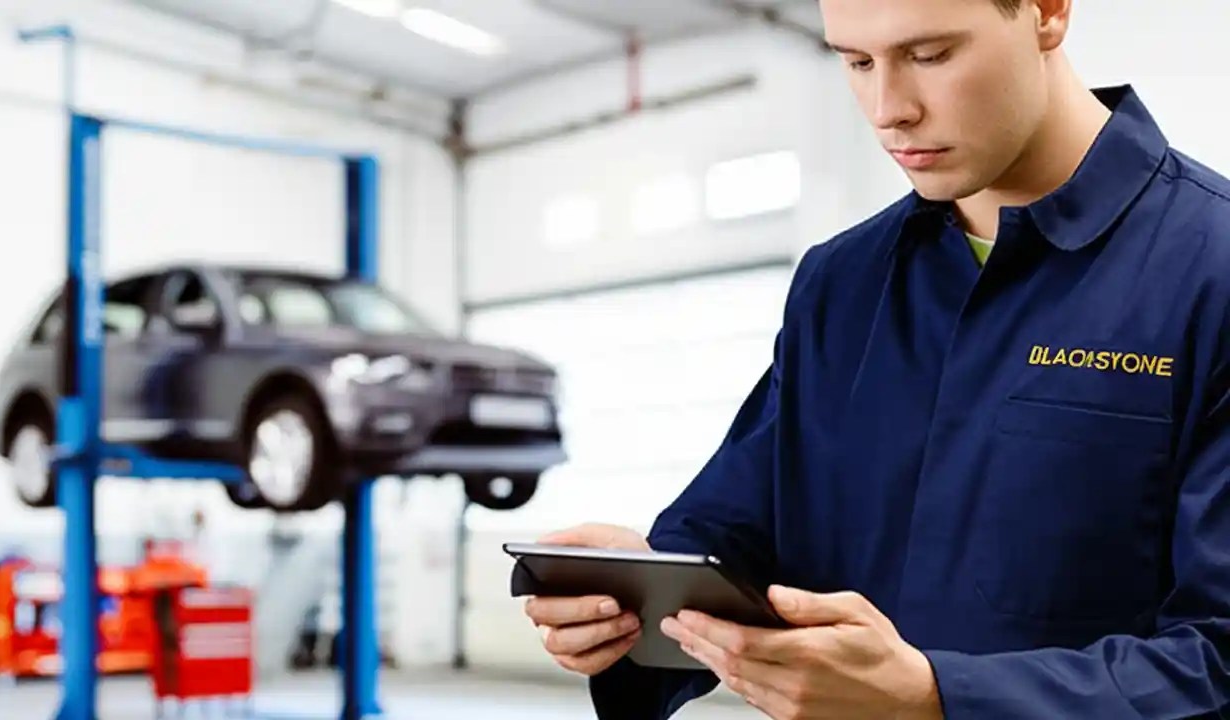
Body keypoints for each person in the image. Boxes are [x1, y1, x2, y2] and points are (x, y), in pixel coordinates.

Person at [521, 0, 1230, 718]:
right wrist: (637, 605)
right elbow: (741, 533)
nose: (889, 110)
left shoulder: (1213, 270)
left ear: (1047, 12)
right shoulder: (841, 282)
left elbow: (1220, 658)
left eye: (929, 56)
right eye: (856, 62)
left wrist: (935, 698)